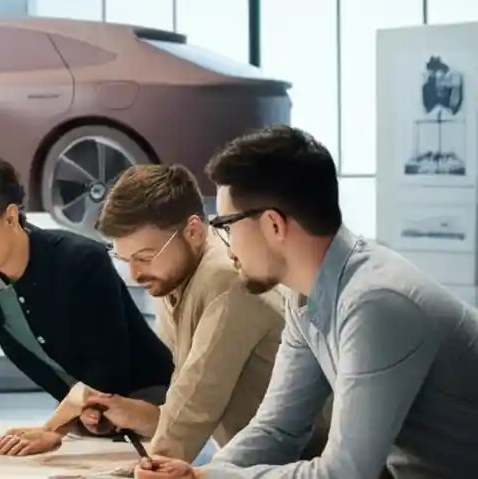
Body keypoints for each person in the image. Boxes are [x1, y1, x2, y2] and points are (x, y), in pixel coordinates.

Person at [137, 125, 478, 479]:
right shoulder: (306, 296)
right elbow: (278, 429)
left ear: (273, 225)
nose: (226, 244)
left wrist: (210, 478)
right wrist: (202, 473)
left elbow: (346, 473)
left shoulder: (375, 303)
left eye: (226, 225)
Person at [0, 157, 173, 458]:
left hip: (154, 409)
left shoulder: (81, 261)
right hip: (88, 427)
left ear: (10, 216)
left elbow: (108, 364)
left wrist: (52, 429)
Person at [81, 164, 326, 464]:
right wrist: (133, 414)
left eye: (144, 257)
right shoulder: (172, 276)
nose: (134, 273)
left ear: (194, 230)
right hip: (261, 460)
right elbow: (189, 401)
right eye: (124, 259)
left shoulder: (226, 281)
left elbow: (196, 407)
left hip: (305, 465)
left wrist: (151, 468)